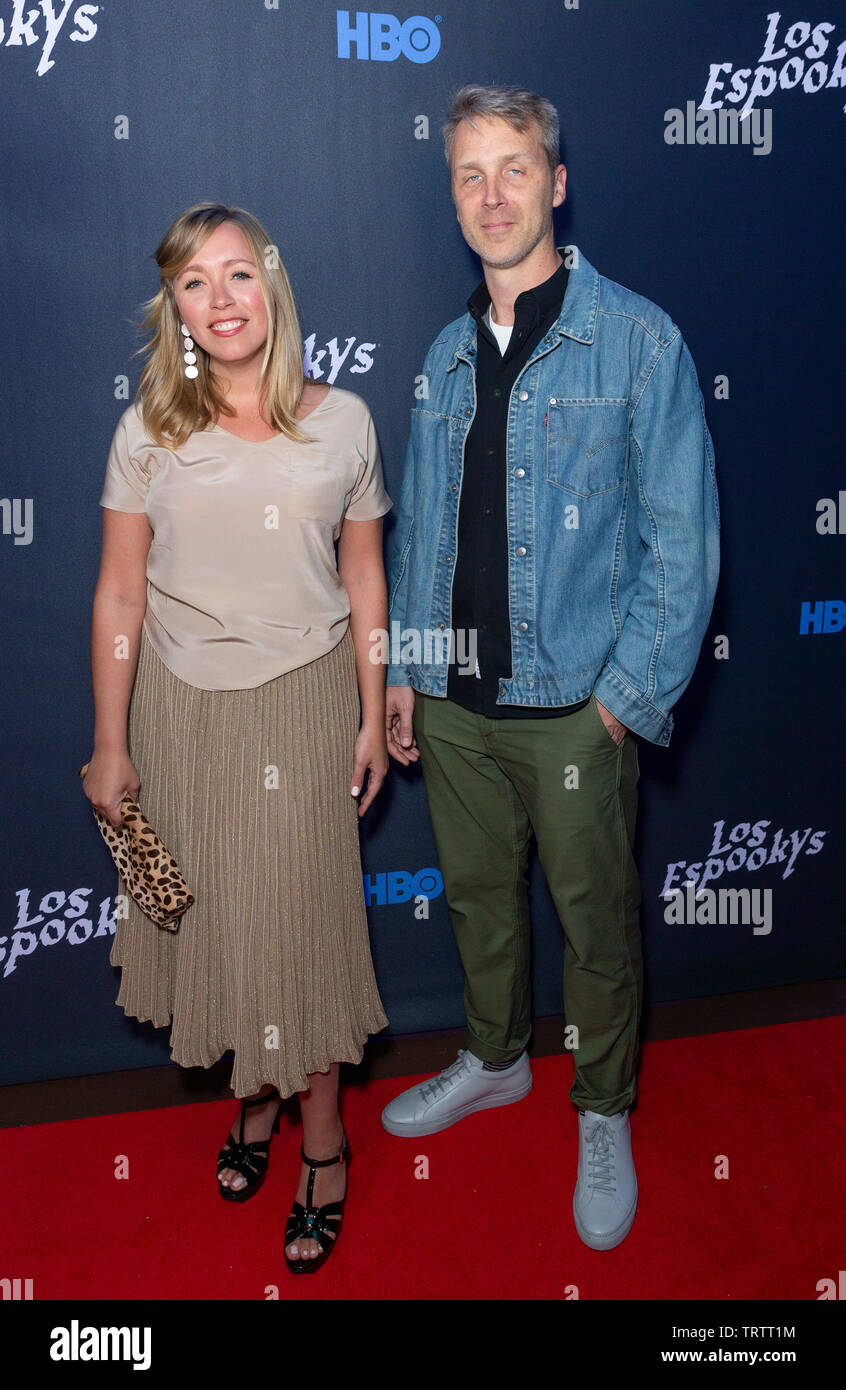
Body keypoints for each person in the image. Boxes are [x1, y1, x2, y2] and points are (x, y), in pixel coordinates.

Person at [382, 86, 720, 1251]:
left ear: (556, 183)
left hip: (577, 705)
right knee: (479, 902)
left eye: (513, 168)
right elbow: (423, 523)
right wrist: (409, 673)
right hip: (457, 701)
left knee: (597, 926)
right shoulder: (442, 349)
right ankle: (495, 1058)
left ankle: (605, 1104)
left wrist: (622, 705)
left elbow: (684, 541)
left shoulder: (638, 338)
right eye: (470, 174)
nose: (491, 194)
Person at [83, 202, 392, 1273]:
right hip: (177, 712)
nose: (220, 300)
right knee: (213, 923)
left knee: (295, 931)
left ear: (273, 287)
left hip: (304, 710)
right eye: (193, 284)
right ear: (174, 309)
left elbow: (363, 577)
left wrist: (369, 705)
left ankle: (324, 1141)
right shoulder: (146, 433)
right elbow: (121, 594)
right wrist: (111, 743)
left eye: (237, 276)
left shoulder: (343, 422)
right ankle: (251, 1105)